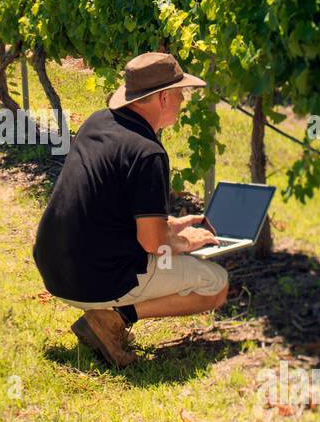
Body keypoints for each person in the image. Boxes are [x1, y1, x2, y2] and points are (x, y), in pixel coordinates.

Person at [33, 51, 228, 369]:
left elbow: (111, 209)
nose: (183, 100)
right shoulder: (148, 153)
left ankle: (107, 314)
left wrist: (174, 225)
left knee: (168, 247)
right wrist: (186, 243)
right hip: (91, 279)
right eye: (181, 93)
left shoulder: (99, 122)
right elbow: (153, 244)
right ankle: (113, 318)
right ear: (164, 97)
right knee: (216, 284)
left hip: (54, 267)